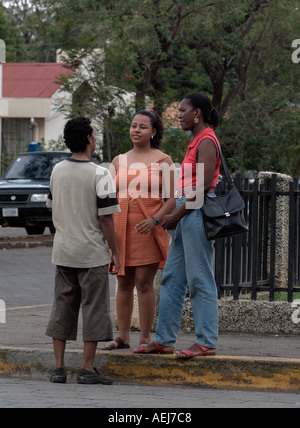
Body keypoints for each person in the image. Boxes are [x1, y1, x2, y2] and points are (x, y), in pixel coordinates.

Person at [136, 93, 221, 358]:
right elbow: (184, 190)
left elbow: (203, 186)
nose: (179, 115)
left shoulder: (207, 139)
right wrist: (162, 218)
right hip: (186, 212)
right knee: (172, 279)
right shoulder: (196, 141)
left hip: (195, 213)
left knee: (200, 279)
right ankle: (164, 339)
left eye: (183, 111)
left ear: (197, 113)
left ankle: (206, 341)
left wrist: (178, 216)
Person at [46, 116, 121, 384]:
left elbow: (51, 204)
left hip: (64, 251)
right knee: (94, 309)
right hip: (92, 253)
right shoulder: (100, 173)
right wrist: (116, 252)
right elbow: (106, 218)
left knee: (62, 307)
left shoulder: (57, 170)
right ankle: (87, 368)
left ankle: (58, 367)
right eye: (94, 133)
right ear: (89, 139)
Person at [102, 110, 176, 353]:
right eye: (134, 125)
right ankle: (122, 336)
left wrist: (155, 220)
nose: (136, 130)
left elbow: (173, 198)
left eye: (143, 127)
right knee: (123, 282)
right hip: (120, 230)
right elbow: (108, 198)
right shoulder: (118, 161)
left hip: (147, 231)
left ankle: (145, 337)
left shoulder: (163, 161)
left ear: (153, 132)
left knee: (144, 283)